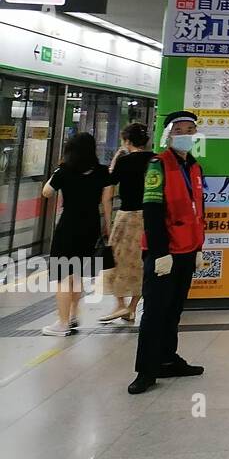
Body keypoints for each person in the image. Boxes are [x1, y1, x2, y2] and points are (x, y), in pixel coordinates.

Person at [129, 111, 206, 393]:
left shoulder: (194, 167)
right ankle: (146, 371)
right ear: (169, 135)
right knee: (155, 312)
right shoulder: (157, 165)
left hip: (187, 249)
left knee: (173, 310)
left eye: (191, 129)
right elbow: (152, 209)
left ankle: (167, 359)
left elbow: (198, 209)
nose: (187, 134)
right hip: (165, 253)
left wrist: (198, 246)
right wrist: (160, 252)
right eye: (181, 130)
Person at [41, 133, 112, 336]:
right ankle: (72, 315)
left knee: (63, 276)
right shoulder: (101, 171)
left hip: (69, 226)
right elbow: (107, 200)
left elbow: (47, 192)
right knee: (78, 274)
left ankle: (62, 324)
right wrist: (107, 226)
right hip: (91, 226)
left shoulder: (64, 170)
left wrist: (58, 171)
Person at [100, 122, 152, 324]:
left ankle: (120, 304)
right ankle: (131, 308)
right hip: (149, 216)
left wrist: (107, 221)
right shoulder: (156, 160)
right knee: (141, 262)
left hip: (127, 216)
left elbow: (108, 186)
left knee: (113, 259)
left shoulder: (124, 162)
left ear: (127, 141)